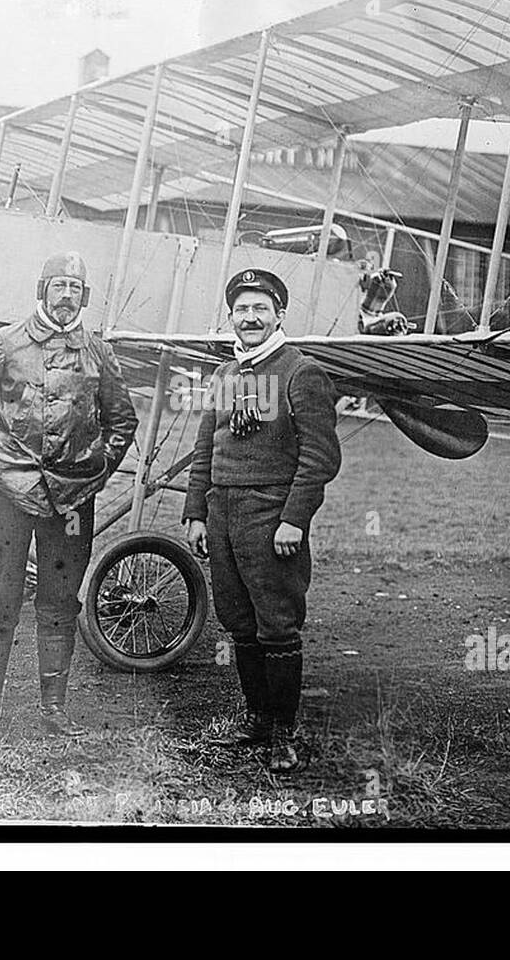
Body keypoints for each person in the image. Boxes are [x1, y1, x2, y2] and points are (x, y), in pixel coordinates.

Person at [0, 251, 138, 741]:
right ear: (41, 291)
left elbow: (122, 420)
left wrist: (94, 471)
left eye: (75, 287)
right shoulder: (2, 344)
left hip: (72, 499)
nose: (66, 295)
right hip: (11, 495)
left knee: (60, 600)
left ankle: (55, 711)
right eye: (58, 285)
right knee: (0, 595)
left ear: (84, 296)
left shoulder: (98, 352)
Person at [182, 268, 342, 772]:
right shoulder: (225, 375)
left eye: (260, 308)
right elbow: (205, 446)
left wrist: (294, 518)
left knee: (277, 624)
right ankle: (256, 720)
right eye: (241, 309)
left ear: (279, 315)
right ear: (231, 316)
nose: (250, 318)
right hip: (224, 514)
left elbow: (320, 458)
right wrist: (195, 512)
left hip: (272, 515)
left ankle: (284, 735)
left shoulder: (301, 372)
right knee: (238, 622)